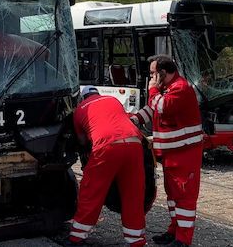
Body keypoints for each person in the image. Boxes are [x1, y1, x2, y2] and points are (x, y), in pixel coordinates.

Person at [132, 55, 203, 247]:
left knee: (184, 197)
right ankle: (174, 231)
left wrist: (153, 90)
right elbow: (153, 108)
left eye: (154, 73)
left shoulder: (180, 88)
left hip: (185, 154)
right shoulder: (168, 88)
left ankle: (183, 239)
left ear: (164, 72)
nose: (152, 77)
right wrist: (134, 120)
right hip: (172, 154)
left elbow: (162, 106)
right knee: (173, 196)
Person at [66, 86, 146, 247]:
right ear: (97, 94)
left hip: (106, 146)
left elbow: (82, 141)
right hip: (134, 144)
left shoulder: (80, 109)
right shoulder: (113, 100)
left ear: (83, 97)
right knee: (133, 194)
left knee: (91, 190)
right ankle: (136, 240)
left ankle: (77, 236)